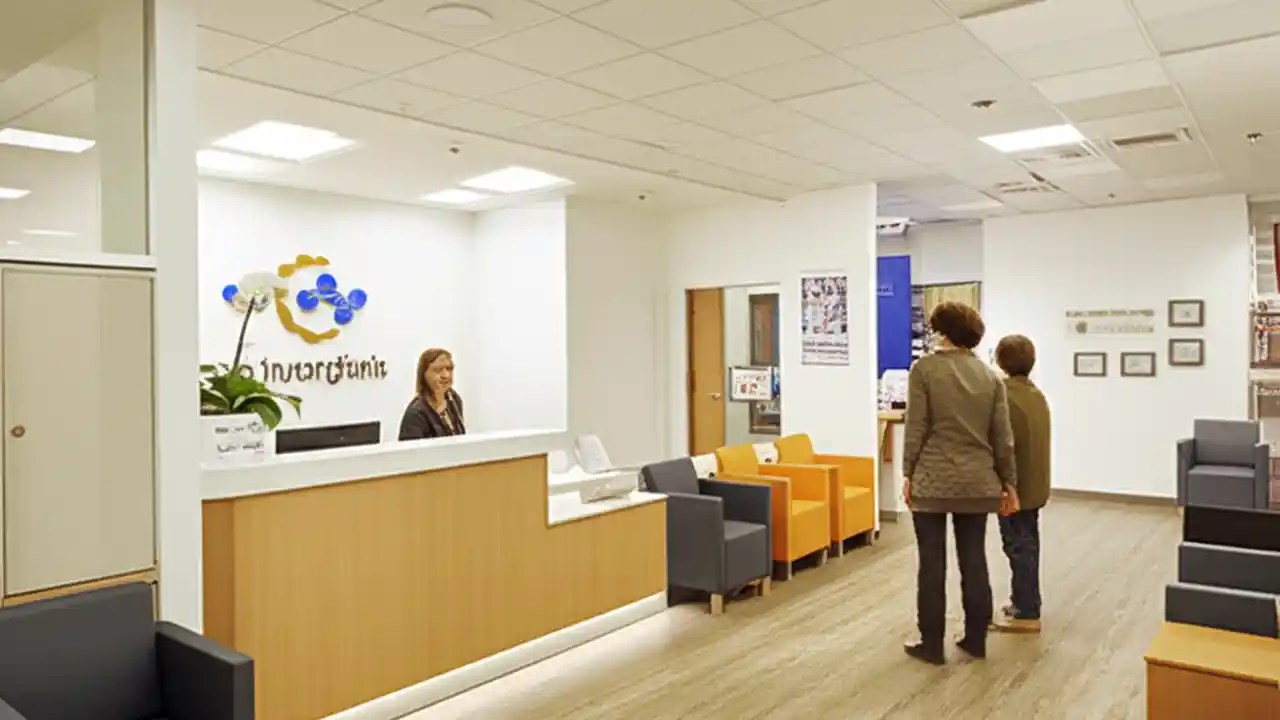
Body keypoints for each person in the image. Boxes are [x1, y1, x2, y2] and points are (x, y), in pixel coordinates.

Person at [902, 301, 1018, 665]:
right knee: (974, 559)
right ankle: (975, 639)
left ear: (944, 331)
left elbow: (916, 427)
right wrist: (1009, 482)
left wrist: (908, 472)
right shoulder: (989, 377)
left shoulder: (924, 370)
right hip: (977, 482)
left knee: (931, 562)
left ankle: (932, 644)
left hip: (932, 481)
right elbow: (1003, 437)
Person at [992, 334, 1051, 634]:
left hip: (1017, 487)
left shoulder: (1004, 395)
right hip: (1036, 485)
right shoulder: (1034, 394)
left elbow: (1003, 445)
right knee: (1028, 543)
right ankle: (1024, 601)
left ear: (1001, 361)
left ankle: (1027, 611)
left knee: (1018, 546)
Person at [399, 348, 466, 440]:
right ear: (424, 374)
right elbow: (411, 453)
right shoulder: (416, 414)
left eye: (449, 369)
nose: (445, 375)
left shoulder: (454, 399)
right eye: (438, 370)